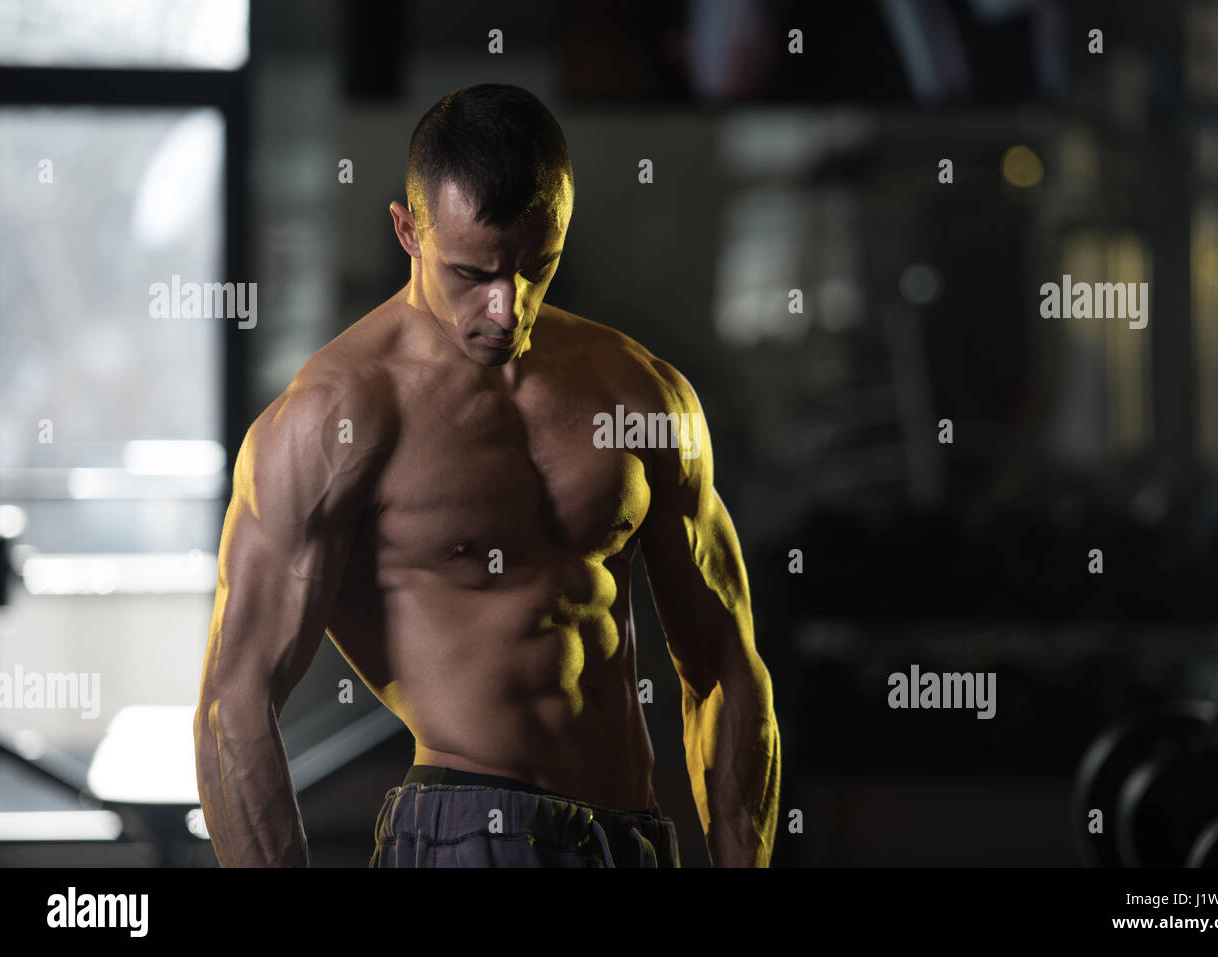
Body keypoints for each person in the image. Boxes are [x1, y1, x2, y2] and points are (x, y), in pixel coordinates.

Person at [193, 83, 779, 867]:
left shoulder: (641, 391)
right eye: (473, 272)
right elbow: (233, 707)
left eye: (538, 268)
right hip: (470, 828)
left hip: (633, 837)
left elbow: (725, 666)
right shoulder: (337, 417)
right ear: (408, 230)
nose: (507, 307)